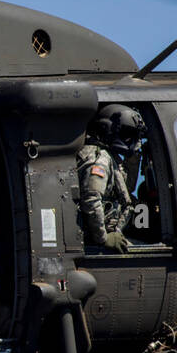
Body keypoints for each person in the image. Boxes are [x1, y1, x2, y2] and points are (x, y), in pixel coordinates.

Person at [77, 104, 145, 253]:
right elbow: (91, 199)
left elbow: (125, 190)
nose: (130, 141)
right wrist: (103, 238)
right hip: (97, 240)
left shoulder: (107, 157)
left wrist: (134, 158)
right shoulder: (100, 159)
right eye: (127, 134)